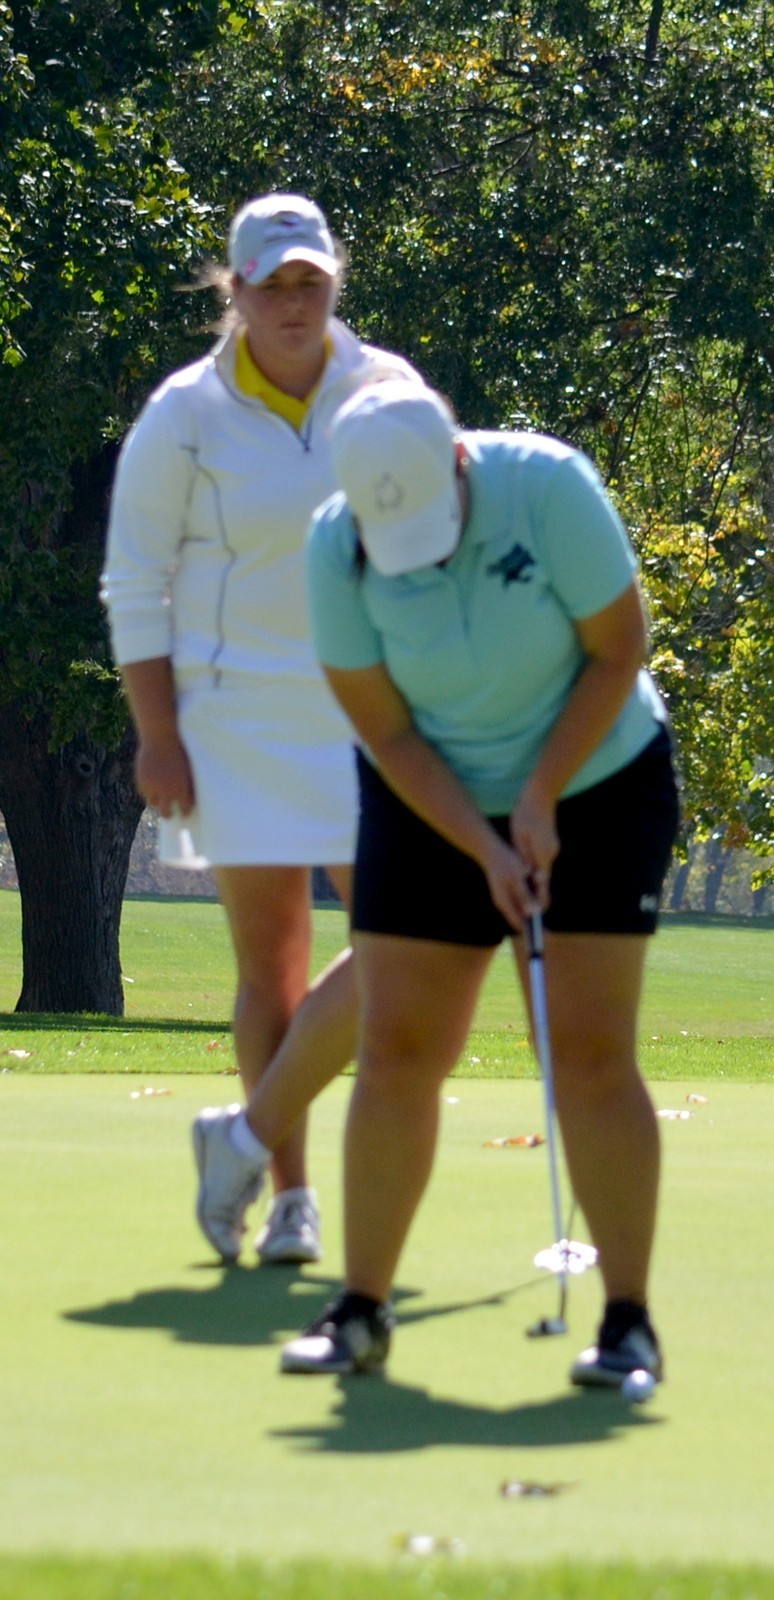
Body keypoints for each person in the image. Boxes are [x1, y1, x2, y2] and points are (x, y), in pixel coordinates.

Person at [192, 382, 680, 1390]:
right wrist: (485, 843)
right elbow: (388, 732)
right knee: (399, 1042)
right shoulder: (339, 552)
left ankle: (627, 1321)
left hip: (596, 776)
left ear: (459, 462)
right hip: (430, 792)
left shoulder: (547, 487)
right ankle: (362, 1310)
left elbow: (617, 648)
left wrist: (539, 799)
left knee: (584, 1048)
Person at [101, 195, 422, 1266]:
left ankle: (239, 1136)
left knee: (399, 937)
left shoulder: (387, 391)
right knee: (273, 961)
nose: (292, 303)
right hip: (233, 712)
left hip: (370, 713)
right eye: (271, 285)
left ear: (335, 284)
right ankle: (289, 1198)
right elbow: (135, 581)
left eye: (309, 283)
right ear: (232, 293)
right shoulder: (183, 414)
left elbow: (441, 532)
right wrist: (159, 733)